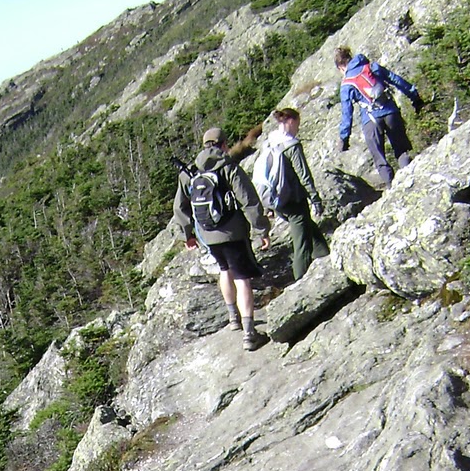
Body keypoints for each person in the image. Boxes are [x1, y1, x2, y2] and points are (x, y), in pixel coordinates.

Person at [174, 126, 271, 350]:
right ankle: (249, 334)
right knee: (242, 278)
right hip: (233, 232)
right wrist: (261, 229)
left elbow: (180, 206)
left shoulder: (189, 172)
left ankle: (233, 319)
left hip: (208, 234)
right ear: (224, 145)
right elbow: (249, 200)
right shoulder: (228, 168)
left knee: (224, 270)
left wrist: (187, 234)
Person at [335, 47, 423, 187]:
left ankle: (391, 187)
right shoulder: (371, 67)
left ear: (341, 67)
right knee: (401, 150)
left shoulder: (346, 84)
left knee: (380, 158)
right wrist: (414, 97)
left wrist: (344, 139)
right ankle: (411, 179)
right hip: (390, 112)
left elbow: (347, 114)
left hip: (370, 120)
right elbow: (396, 80)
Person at [268, 107, 329, 282]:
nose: (298, 128)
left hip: (278, 200)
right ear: (291, 121)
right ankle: (300, 281)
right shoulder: (291, 145)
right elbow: (304, 175)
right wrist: (315, 198)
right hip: (294, 199)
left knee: (309, 230)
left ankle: (325, 257)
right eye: (297, 124)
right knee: (302, 244)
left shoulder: (271, 141)